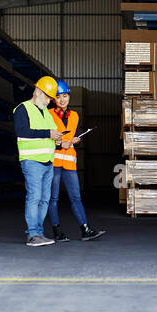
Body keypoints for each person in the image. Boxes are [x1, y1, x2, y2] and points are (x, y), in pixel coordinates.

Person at [47, 80, 105, 242]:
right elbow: (44, 137)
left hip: (69, 163)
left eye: (65, 96)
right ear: (53, 99)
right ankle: (57, 231)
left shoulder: (74, 115)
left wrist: (76, 139)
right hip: (54, 163)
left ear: (69, 97)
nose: (62, 99)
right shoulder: (48, 114)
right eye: (58, 97)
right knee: (53, 198)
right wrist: (59, 144)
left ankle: (85, 230)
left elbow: (76, 132)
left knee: (76, 198)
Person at [14, 76, 61, 246]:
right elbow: (23, 131)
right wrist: (48, 134)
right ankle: (32, 234)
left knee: (44, 199)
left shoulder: (46, 113)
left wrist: (57, 139)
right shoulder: (22, 109)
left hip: (48, 162)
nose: (49, 101)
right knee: (34, 197)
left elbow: (50, 133)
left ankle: (39, 233)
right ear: (38, 91)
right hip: (32, 161)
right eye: (47, 97)